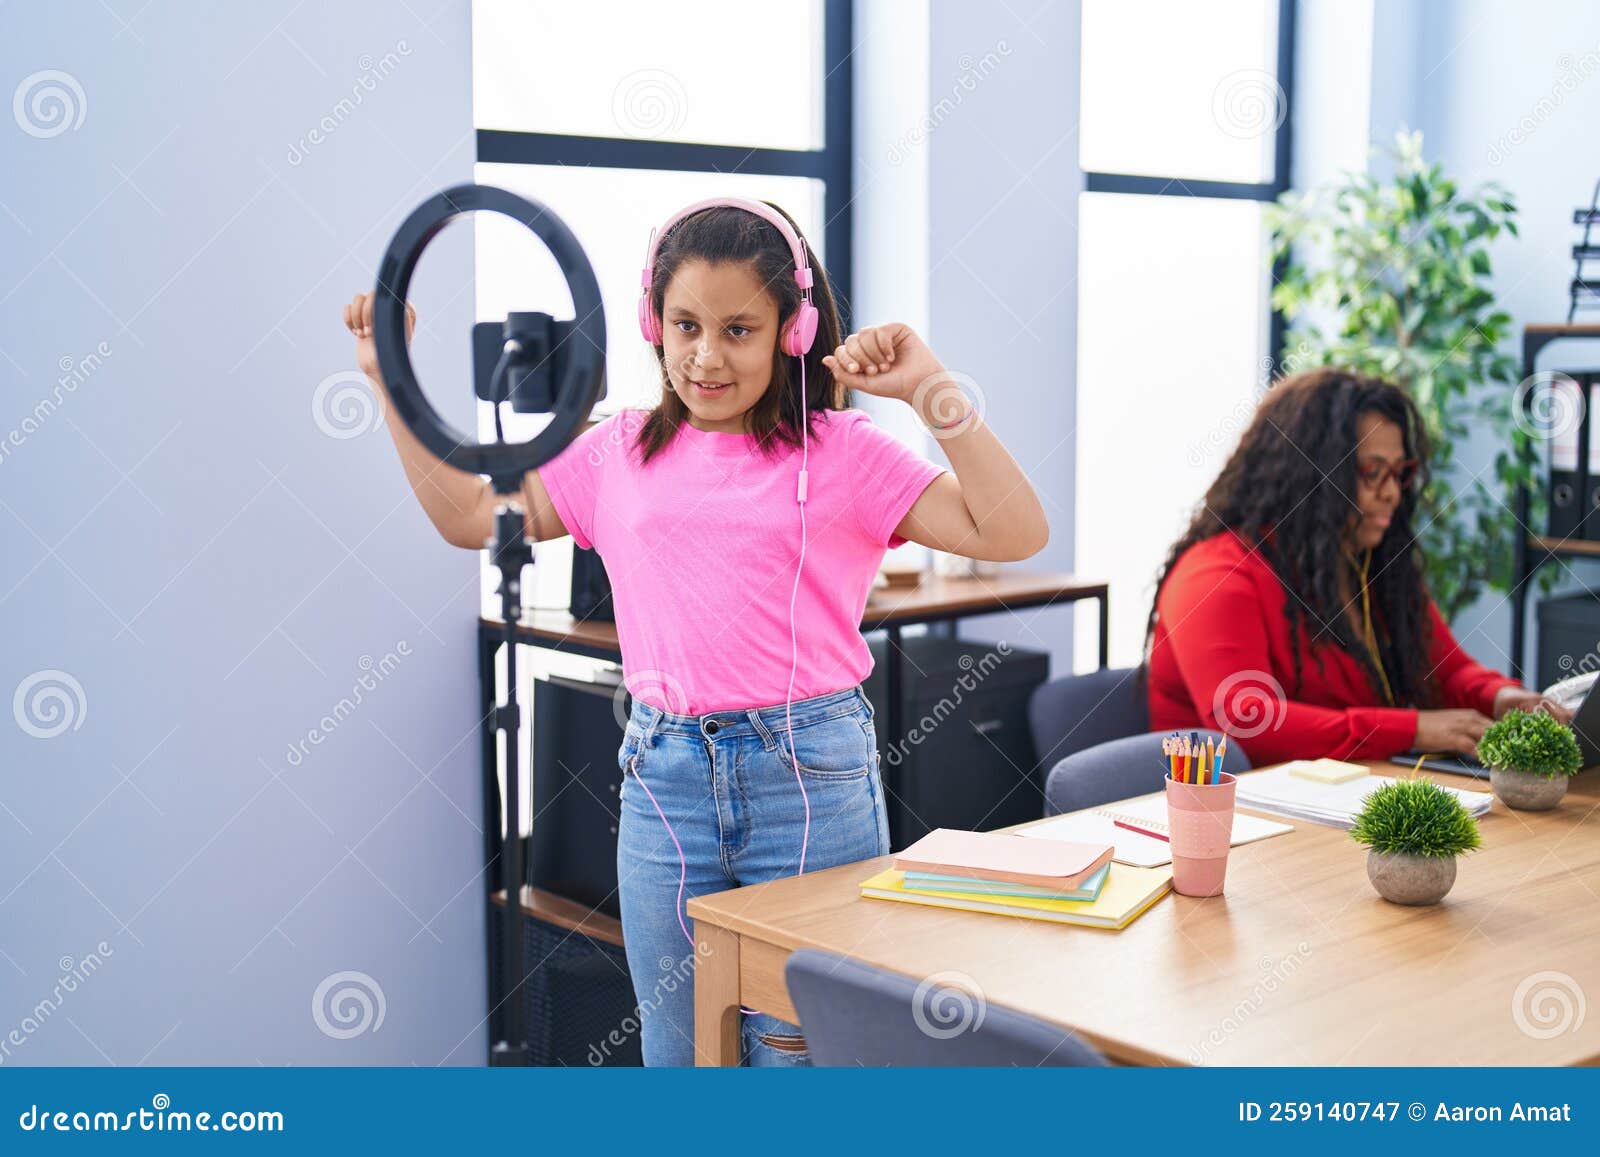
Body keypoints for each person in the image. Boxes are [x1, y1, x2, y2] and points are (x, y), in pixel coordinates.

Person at [342, 198, 1048, 1065]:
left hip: (809, 778)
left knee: (794, 1057)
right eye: (686, 325)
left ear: (793, 331)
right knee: (680, 1055)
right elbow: (467, 515)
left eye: (740, 329)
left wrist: (931, 389)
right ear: (653, 322)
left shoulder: (844, 451)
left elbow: (1013, 530)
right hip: (663, 780)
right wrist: (391, 378)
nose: (707, 356)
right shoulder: (615, 450)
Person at [1144, 367, 1566, 767]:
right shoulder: (1214, 575)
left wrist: (1500, 698)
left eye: (1399, 473)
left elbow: (1445, 670)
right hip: (1226, 822)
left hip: (1334, 800)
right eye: (1371, 472)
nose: (1392, 495)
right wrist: (1410, 729)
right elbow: (1247, 719)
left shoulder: (1365, 563)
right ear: (1309, 475)